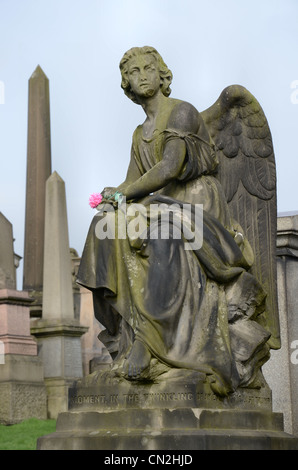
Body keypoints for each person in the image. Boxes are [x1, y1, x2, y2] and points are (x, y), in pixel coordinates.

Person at [77, 46, 270, 396]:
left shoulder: (181, 113)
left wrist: (125, 196)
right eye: (134, 72)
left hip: (196, 204)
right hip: (161, 203)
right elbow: (133, 180)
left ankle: (151, 344)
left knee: (164, 236)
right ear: (127, 86)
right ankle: (126, 333)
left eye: (149, 68)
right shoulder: (139, 134)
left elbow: (169, 168)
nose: (143, 75)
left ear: (163, 75)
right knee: (104, 228)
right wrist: (111, 197)